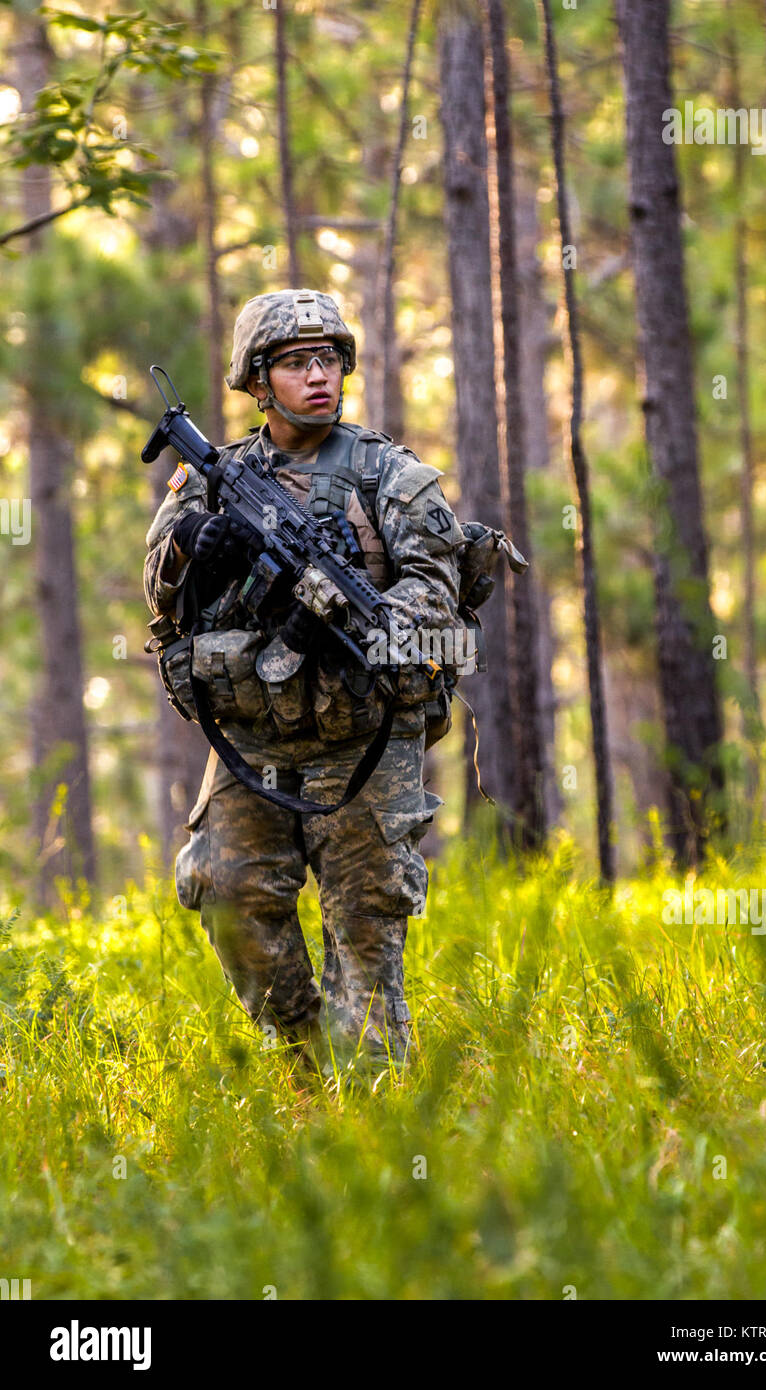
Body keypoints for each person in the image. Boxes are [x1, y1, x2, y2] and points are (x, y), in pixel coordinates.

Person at [143, 288, 463, 1073]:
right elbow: (156, 591)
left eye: (330, 359)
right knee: (226, 895)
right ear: (258, 382)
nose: (319, 375)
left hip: (361, 745)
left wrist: (351, 609)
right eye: (295, 363)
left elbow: (436, 588)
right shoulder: (212, 477)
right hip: (252, 744)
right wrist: (191, 544)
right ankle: (301, 1058)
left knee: (365, 936)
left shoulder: (394, 476)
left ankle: (377, 1123)